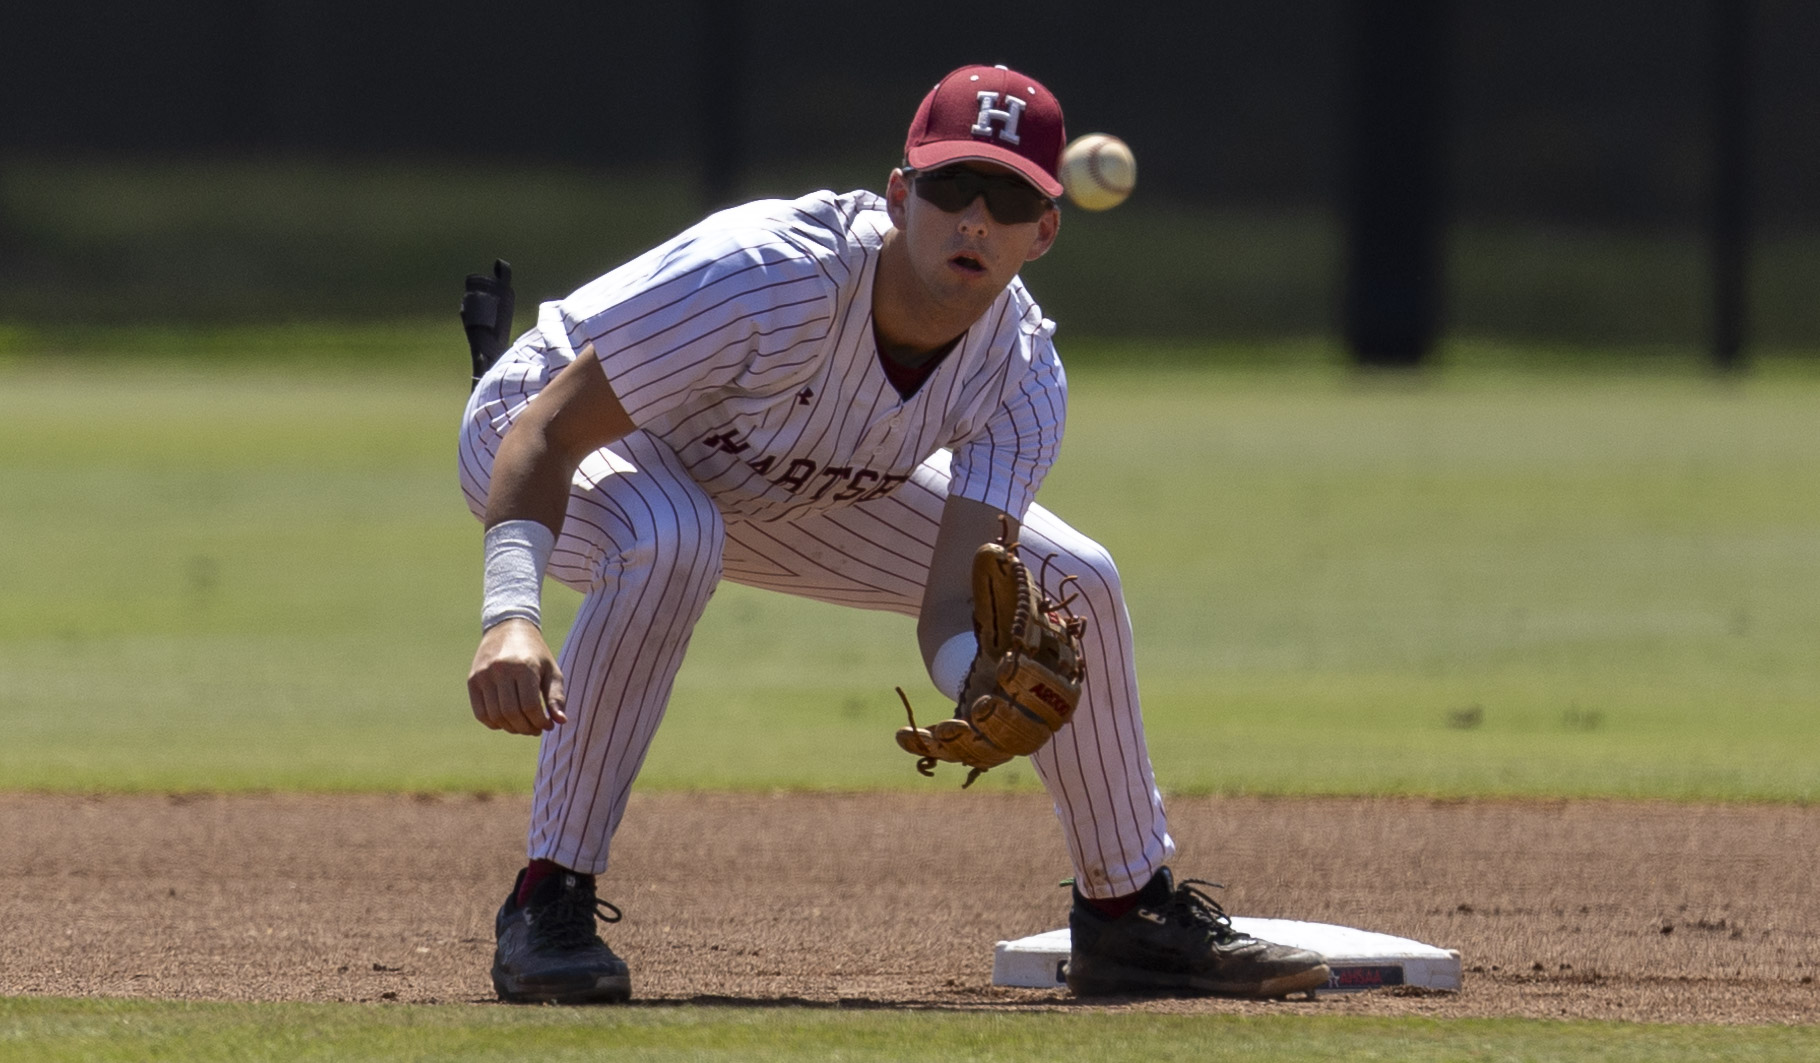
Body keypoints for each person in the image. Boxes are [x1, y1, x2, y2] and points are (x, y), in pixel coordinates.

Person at [458, 63, 1331, 1003]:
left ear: (1045, 231)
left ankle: (1128, 913)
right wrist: (512, 610)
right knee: (673, 534)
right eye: (953, 187)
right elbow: (545, 430)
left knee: (1073, 573)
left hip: (782, 477)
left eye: (1008, 198)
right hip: (558, 434)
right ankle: (549, 901)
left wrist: (982, 682)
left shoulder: (1020, 373)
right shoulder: (769, 274)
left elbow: (957, 599)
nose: (974, 220)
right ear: (901, 194)